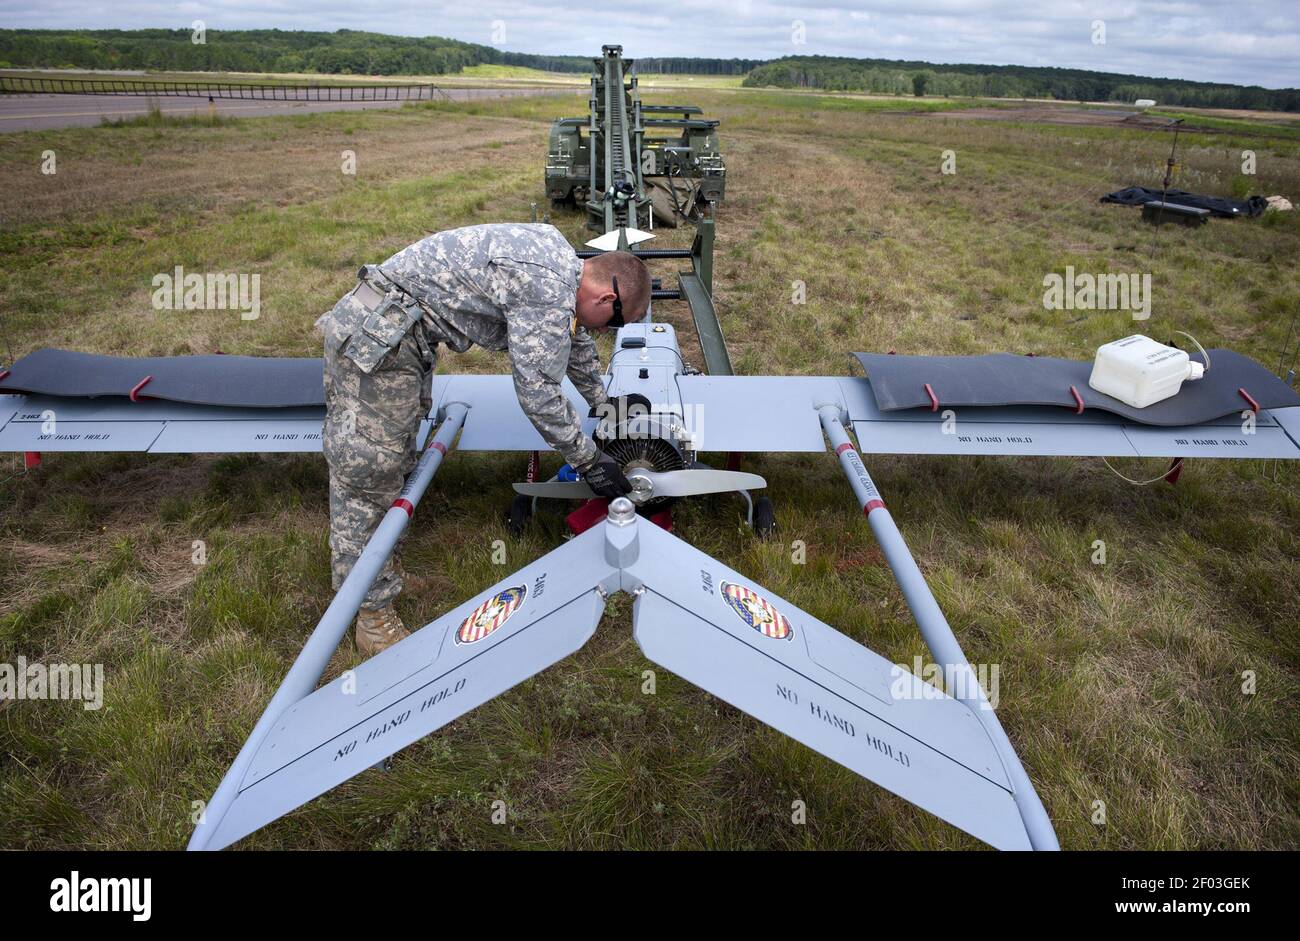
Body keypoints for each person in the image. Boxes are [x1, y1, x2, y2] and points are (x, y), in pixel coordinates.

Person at [314, 223, 651, 656]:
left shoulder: (562, 262)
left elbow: (574, 340)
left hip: (398, 336)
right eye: (615, 322)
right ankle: (370, 614)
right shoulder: (546, 288)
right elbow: (538, 393)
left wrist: (604, 404)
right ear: (607, 298)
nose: (607, 332)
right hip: (376, 345)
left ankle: (381, 571)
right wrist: (587, 461)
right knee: (370, 475)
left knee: (395, 463)